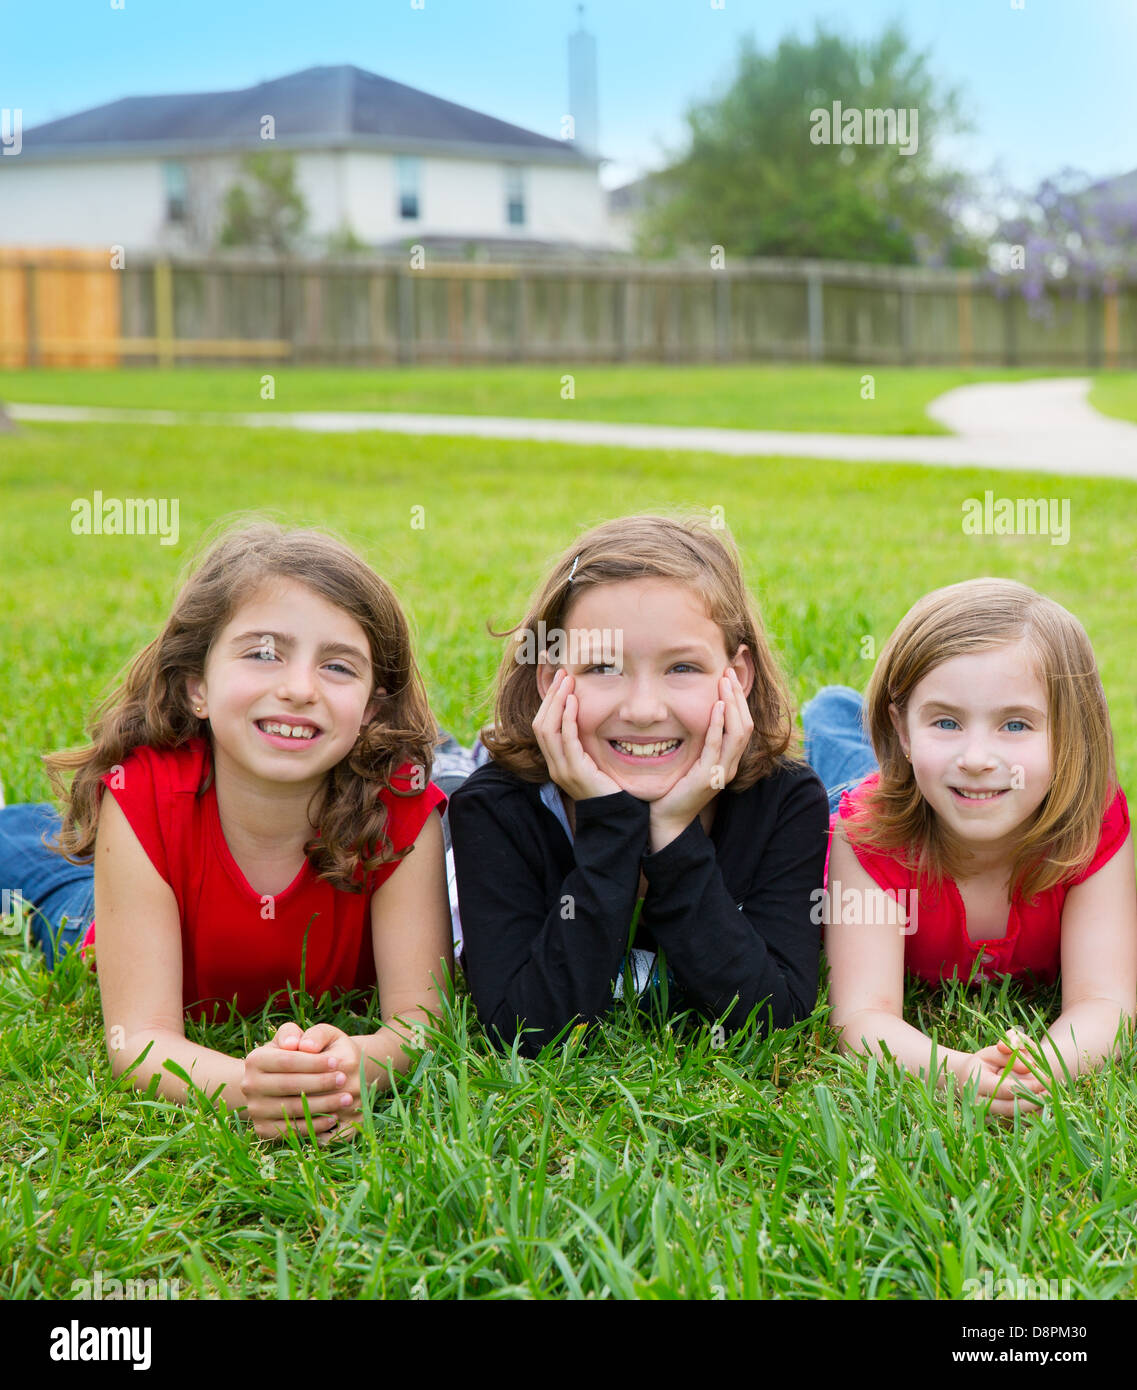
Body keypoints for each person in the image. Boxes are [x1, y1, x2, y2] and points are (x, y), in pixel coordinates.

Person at [0, 522, 452, 1144]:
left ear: (372, 707)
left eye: (338, 666)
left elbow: (422, 1027)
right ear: (198, 686)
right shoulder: (145, 797)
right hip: (105, 914)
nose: (298, 688)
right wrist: (253, 1088)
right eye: (263, 652)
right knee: (32, 864)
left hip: (166, 878)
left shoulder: (403, 810)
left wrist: (350, 1067)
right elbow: (138, 1043)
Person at [446, 513, 829, 1056]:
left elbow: (773, 1017)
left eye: (682, 668)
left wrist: (673, 833)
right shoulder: (493, 810)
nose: (644, 709)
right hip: (476, 779)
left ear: (738, 677)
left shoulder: (786, 802)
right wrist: (611, 824)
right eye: (603, 667)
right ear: (553, 680)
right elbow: (525, 1030)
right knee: (444, 768)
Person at [817, 578, 1136, 1117]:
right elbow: (861, 1018)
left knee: (917, 767)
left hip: (935, 785)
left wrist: (1045, 1068)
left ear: (1070, 733)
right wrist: (958, 1072)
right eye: (946, 720)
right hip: (902, 798)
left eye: (1016, 724)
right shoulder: (863, 834)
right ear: (902, 727)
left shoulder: (1091, 826)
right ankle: (833, 713)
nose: (978, 756)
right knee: (839, 754)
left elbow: (1108, 1002)